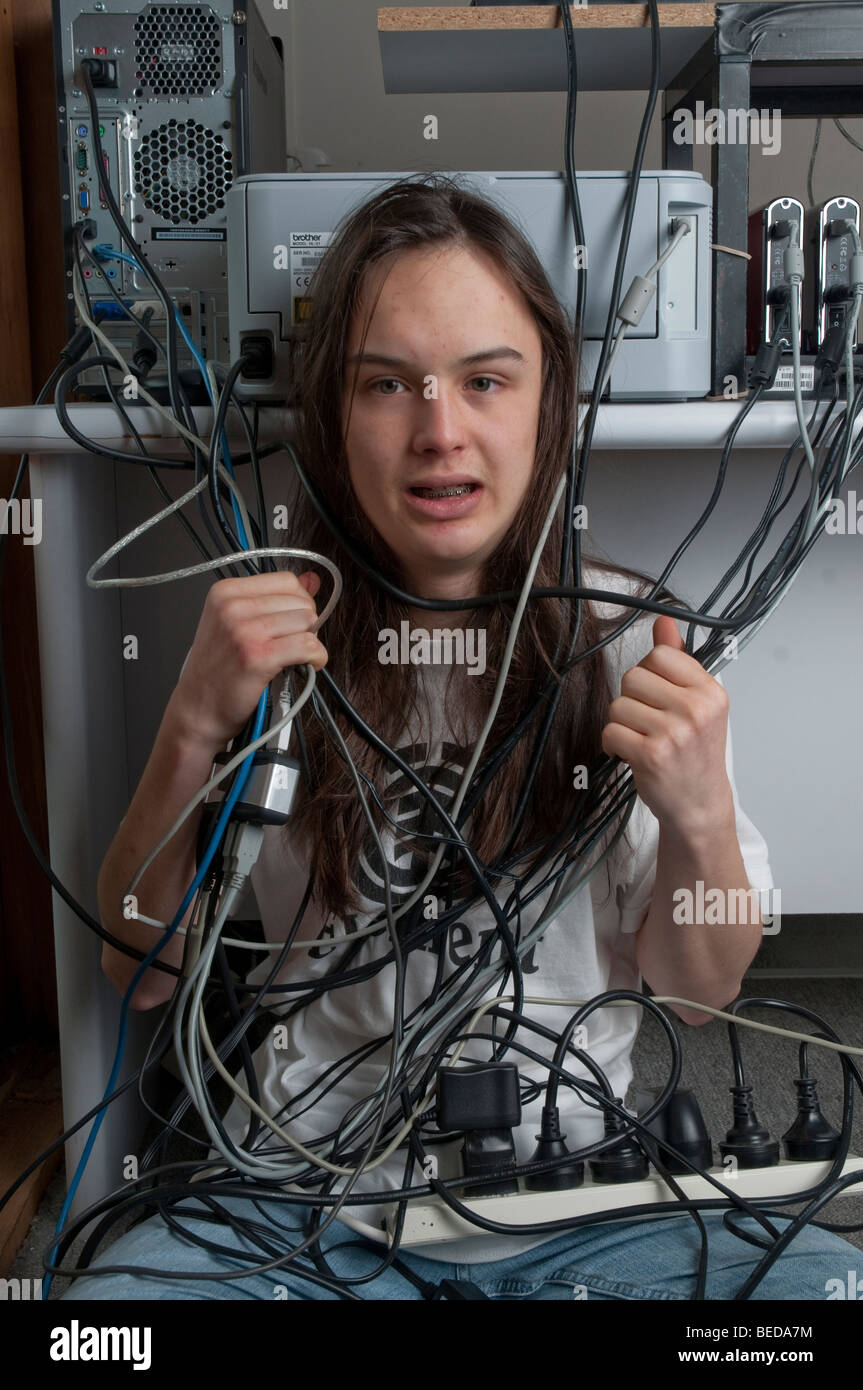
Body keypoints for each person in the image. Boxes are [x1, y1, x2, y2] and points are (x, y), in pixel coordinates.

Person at [61, 175, 855, 1301]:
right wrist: (192, 721)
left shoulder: (636, 640)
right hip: (303, 1207)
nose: (440, 433)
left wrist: (698, 815)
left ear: (546, 402)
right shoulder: (273, 645)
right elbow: (138, 972)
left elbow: (693, 991)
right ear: (335, 415)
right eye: (388, 385)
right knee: (102, 1326)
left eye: (485, 380)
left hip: (582, 1205)